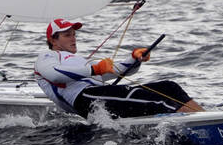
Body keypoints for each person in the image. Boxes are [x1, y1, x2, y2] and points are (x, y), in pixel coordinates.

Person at [34, 18, 203, 118]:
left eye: (74, 34)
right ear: (53, 40)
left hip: (98, 92)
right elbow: (55, 75)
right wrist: (95, 69)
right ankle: (200, 123)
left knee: (169, 87)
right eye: (67, 35)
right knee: (154, 100)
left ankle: (205, 116)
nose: (73, 38)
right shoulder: (45, 58)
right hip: (85, 99)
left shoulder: (77, 61)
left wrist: (134, 58)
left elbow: (112, 70)